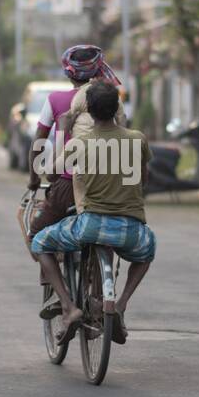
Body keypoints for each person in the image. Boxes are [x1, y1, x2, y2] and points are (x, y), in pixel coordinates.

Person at [31, 79, 156, 344]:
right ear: (117, 109)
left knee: (40, 241)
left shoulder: (80, 143)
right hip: (131, 230)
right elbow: (144, 180)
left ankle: (68, 306)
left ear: (87, 108)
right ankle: (120, 304)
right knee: (148, 251)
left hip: (90, 225)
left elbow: (53, 174)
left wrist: (65, 132)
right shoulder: (138, 140)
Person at [27, 44, 121, 242]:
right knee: (105, 237)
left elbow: (39, 142)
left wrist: (34, 178)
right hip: (108, 181)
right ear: (97, 70)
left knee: (36, 237)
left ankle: (56, 273)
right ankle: (104, 272)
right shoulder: (112, 100)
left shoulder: (56, 99)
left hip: (68, 182)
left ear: (69, 74)